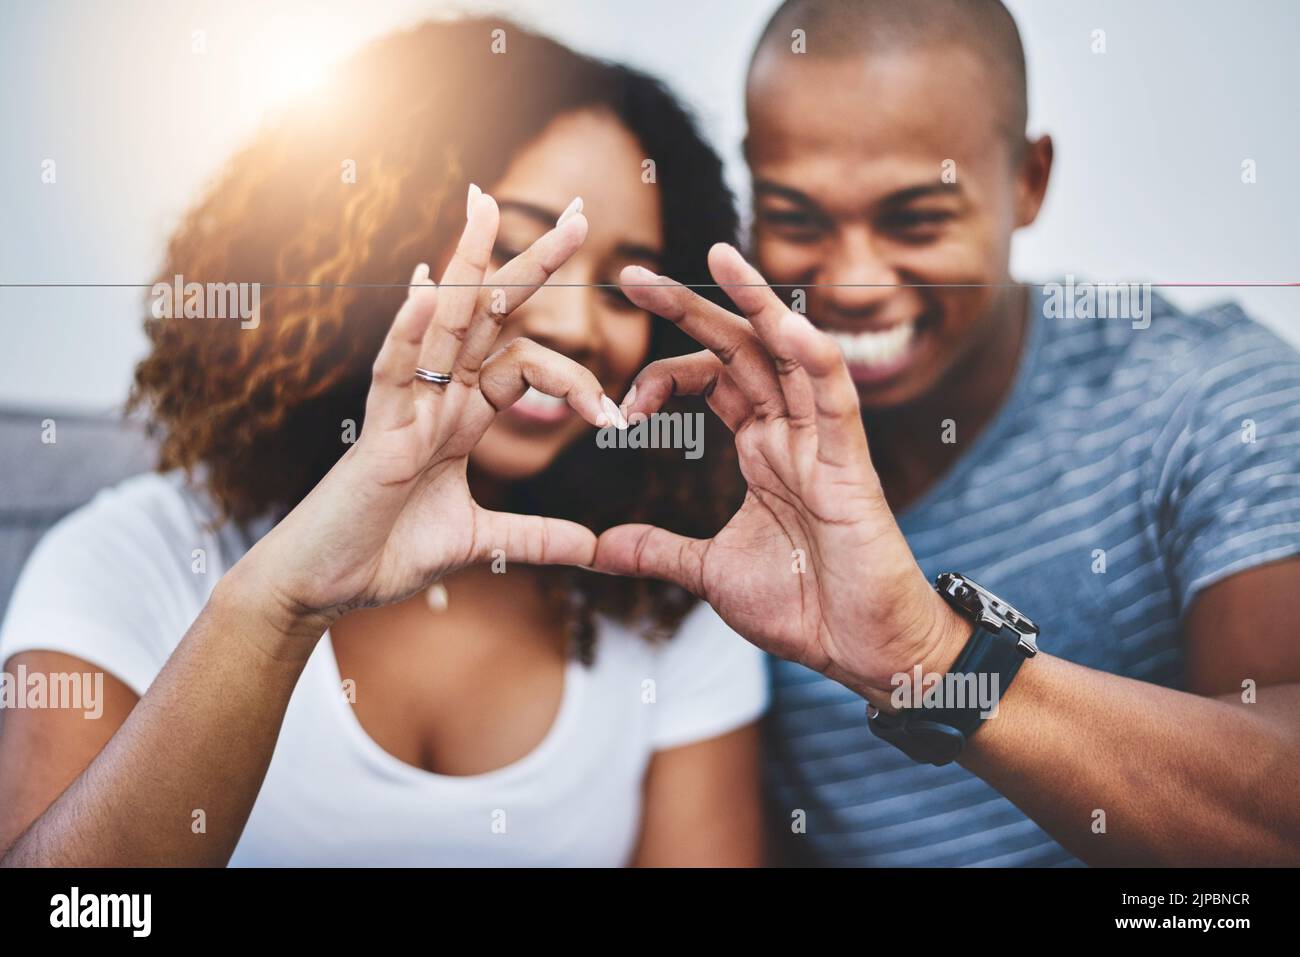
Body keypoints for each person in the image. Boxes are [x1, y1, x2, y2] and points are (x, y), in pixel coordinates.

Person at [0, 17, 767, 866]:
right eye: (515, 250)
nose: (579, 324)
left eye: (625, 290)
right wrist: (276, 609)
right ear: (370, 247)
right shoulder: (135, 559)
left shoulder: (663, 599)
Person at [593, 0, 1300, 865]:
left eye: (917, 220)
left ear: (1029, 181)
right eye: (798, 217)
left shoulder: (1213, 404)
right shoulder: (703, 463)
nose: (852, 281)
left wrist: (937, 662)